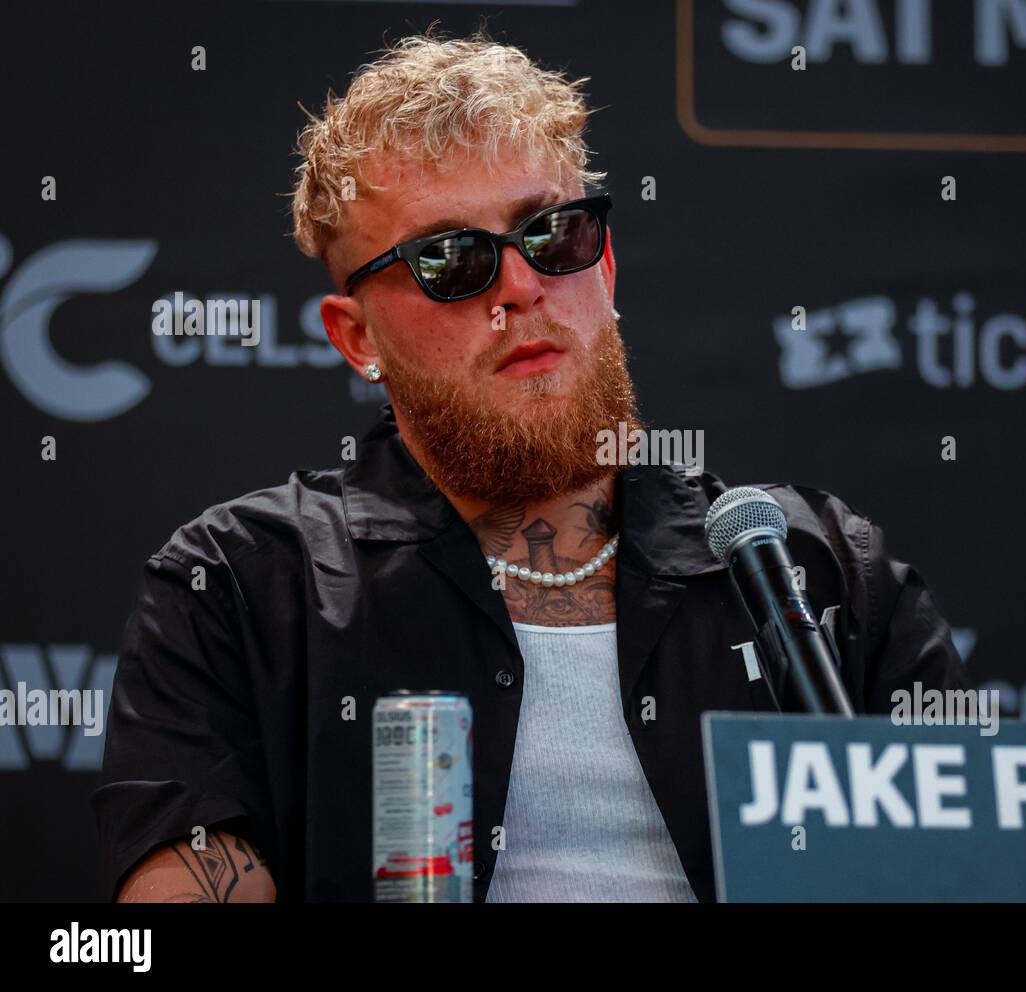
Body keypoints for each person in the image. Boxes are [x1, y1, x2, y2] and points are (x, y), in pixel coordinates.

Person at [93, 28, 969, 903]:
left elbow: (978, 877)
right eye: (450, 259)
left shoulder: (820, 569)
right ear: (358, 338)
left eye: (553, 234)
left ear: (607, 266)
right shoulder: (239, 588)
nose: (519, 286)